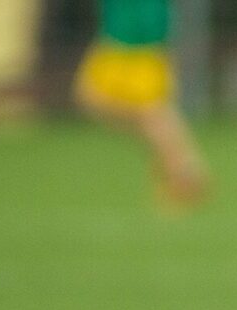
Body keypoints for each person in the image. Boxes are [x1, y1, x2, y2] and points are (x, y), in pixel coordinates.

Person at [75, 0, 210, 205]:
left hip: (135, 39)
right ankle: (180, 163)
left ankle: (183, 170)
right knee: (145, 114)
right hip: (127, 37)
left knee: (151, 113)